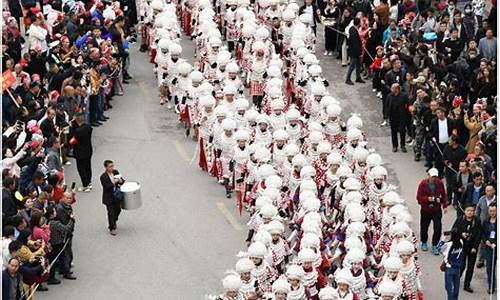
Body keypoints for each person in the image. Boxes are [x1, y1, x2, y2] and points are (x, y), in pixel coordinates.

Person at [416, 168, 448, 255]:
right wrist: (427, 199)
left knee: (438, 227)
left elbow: (444, 195)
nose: (434, 178)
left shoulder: (439, 183)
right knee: (424, 226)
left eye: (435, 177)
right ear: (429, 176)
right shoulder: (423, 184)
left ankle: (435, 244)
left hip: (436, 209)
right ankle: (424, 242)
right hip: (426, 209)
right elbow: (419, 197)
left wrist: (444, 205)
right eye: (432, 176)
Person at [452, 203, 481, 293]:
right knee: (461, 266)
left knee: (471, 267)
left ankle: (467, 285)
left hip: (472, 248)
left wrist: (475, 247)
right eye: (468, 210)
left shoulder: (477, 221)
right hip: (462, 247)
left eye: (472, 211)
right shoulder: (460, 220)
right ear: (464, 211)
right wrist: (461, 234)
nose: (470, 212)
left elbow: (479, 235)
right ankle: (456, 280)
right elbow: (453, 231)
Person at [69, 112, 93, 192]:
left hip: (79, 152)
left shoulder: (77, 131)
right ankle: (89, 182)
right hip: (88, 149)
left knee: (81, 168)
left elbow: (72, 141)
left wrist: (71, 128)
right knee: (87, 167)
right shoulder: (88, 127)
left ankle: (85, 185)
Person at [100, 160, 124, 235]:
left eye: (112, 166)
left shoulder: (115, 172)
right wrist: (114, 182)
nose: (112, 168)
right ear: (106, 167)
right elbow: (107, 187)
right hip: (109, 197)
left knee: (118, 210)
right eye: (110, 166)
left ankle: (114, 221)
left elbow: (122, 181)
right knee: (111, 213)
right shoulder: (103, 176)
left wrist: (120, 181)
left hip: (116, 195)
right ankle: (112, 227)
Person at [442, 136, 467, 204]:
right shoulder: (447, 147)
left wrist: (460, 168)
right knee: (449, 185)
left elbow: (463, 161)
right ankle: (448, 199)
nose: (448, 141)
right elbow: (444, 158)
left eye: (450, 140)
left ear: (454, 142)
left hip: (457, 171)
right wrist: (446, 162)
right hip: (449, 171)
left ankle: (456, 201)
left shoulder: (462, 150)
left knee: (457, 186)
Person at [441, 229, 464, 300]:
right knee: (456, 286)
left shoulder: (448, 244)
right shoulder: (461, 242)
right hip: (458, 268)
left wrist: (443, 238)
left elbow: (439, 248)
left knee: (448, 287)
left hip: (449, 268)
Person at [386, 83, 408, 152]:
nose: (391, 89)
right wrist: (386, 116)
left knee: (402, 131)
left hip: (402, 116)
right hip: (393, 116)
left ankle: (403, 145)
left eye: (393, 88)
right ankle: (395, 145)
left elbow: (407, 104)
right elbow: (386, 106)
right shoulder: (389, 96)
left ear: (397, 89)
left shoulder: (404, 95)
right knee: (393, 131)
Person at [481, 203, 496, 294]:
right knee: (489, 268)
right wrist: (485, 240)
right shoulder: (486, 221)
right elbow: (482, 233)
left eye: (494, 211)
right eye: (490, 211)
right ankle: (491, 286)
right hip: (489, 248)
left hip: (496, 246)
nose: (492, 213)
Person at [345, 17, 365, 85]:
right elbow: (355, 44)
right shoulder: (353, 31)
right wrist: (359, 52)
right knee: (352, 66)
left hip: (355, 51)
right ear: (358, 23)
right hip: (354, 52)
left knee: (358, 65)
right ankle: (348, 79)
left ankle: (358, 77)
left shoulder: (353, 29)